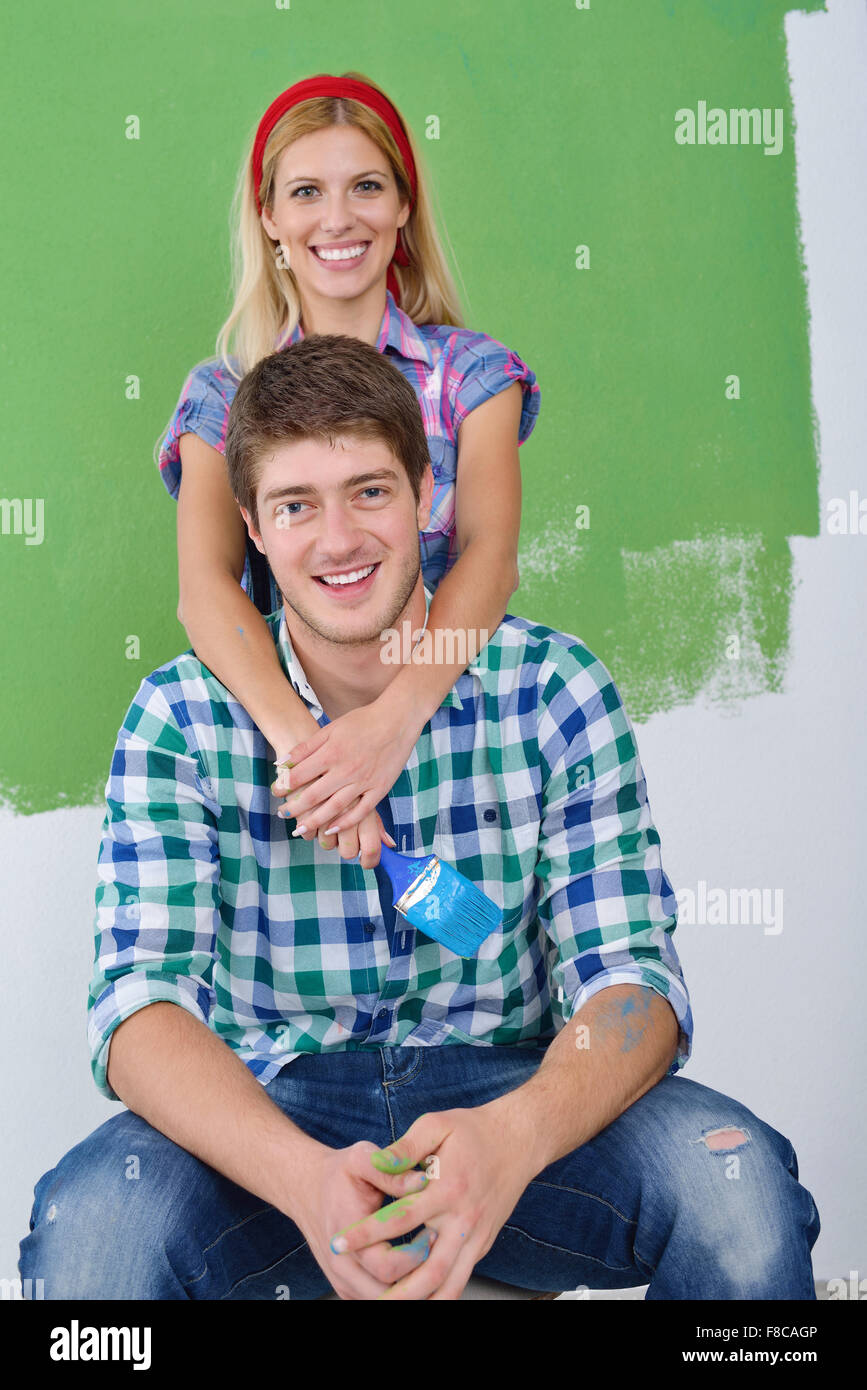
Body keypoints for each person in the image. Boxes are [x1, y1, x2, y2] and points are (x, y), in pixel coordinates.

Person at [19, 334, 819, 1300]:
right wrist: (301, 1179)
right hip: (272, 1120)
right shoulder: (181, 719)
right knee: (92, 1228)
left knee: (737, 1190)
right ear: (252, 529)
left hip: (507, 1106)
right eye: (295, 506)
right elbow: (139, 1010)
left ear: (425, 494)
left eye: (368, 491)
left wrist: (512, 1139)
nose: (339, 539)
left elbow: (632, 985)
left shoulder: (552, 690)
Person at [156, 70, 539, 870]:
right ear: (268, 218)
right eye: (304, 192)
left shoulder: (473, 376)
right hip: (283, 763)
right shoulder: (219, 394)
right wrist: (315, 753)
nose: (337, 217)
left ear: (403, 206)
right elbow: (204, 589)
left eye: (365, 186)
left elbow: (489, 560)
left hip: (451, 731)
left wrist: (392, 724)